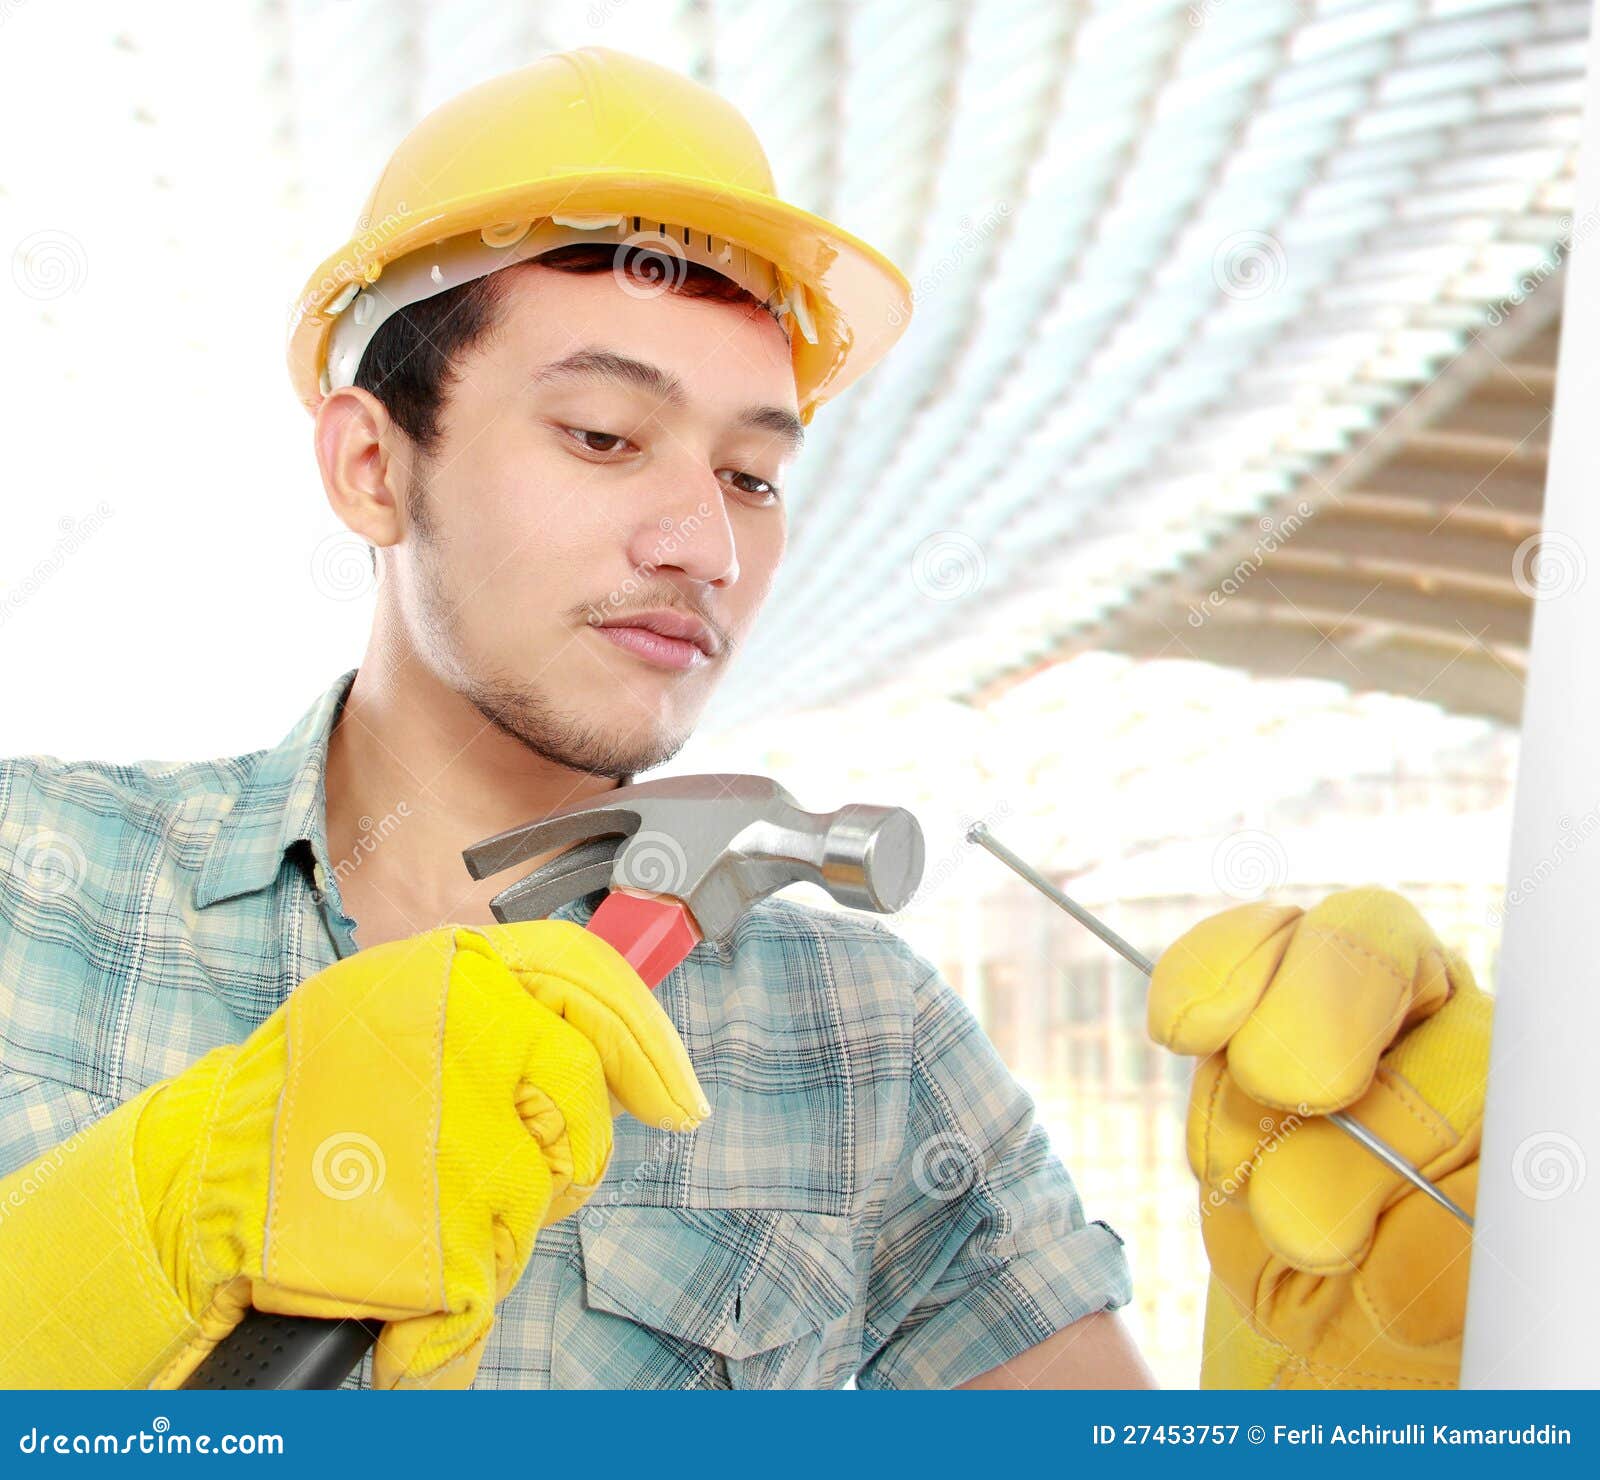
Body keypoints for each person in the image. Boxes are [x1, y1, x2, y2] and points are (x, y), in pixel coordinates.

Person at [0, 48, 1488, 1391]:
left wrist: (1351, 1394)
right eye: (603, 435)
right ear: (373, 468)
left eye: (754, 475)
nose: (703, 545)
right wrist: (132, 1237)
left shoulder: (862, 1044)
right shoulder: (27, 885)